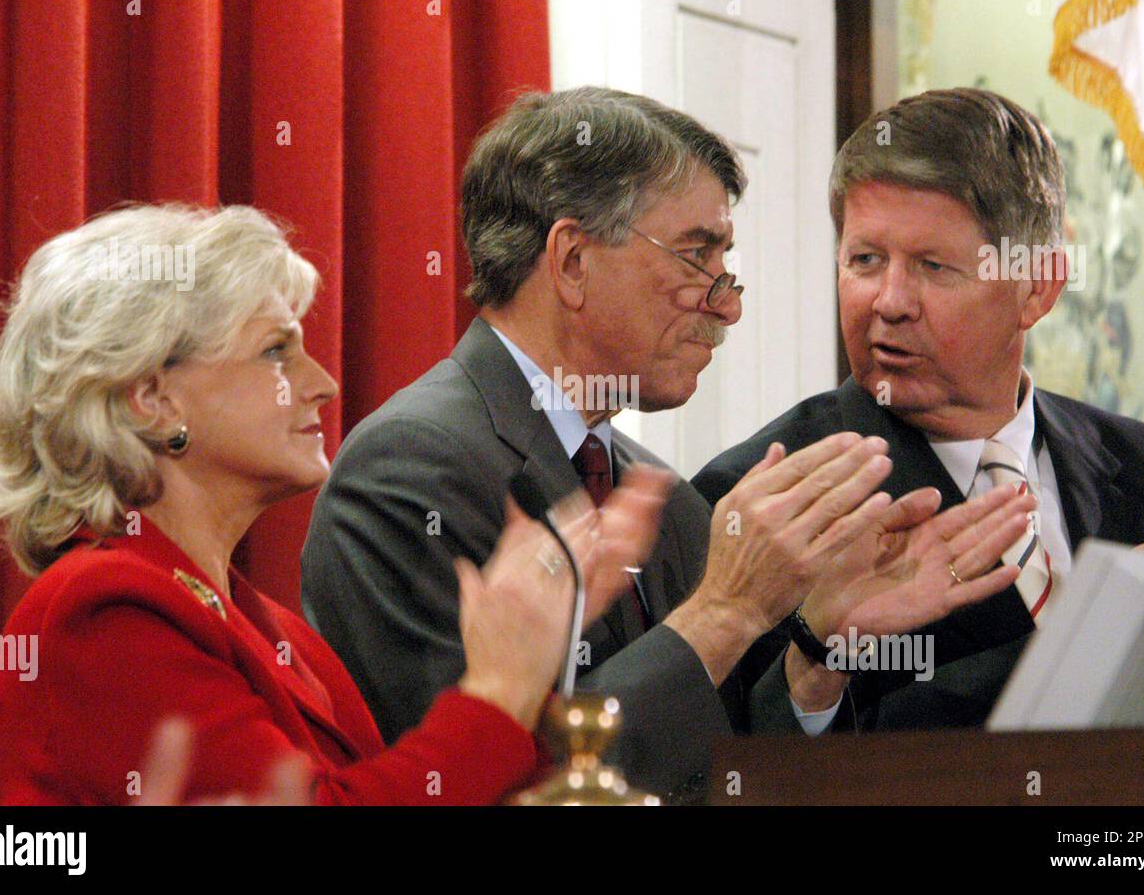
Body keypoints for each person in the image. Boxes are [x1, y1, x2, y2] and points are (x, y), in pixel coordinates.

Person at [301, 86, 1036, 798]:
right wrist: (722, 611)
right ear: (572, 261)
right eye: (696, 257)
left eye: (726, 265)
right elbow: (468, 784)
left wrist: (816, 651)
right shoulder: (408, 470)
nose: (727, 306)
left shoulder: (659, 493)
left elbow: (725, 776)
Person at [0, 203, 673, 805]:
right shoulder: (101, 611)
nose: (322, 383)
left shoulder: (271, 627)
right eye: (276, 351)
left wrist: (535, 646)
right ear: (153, 397)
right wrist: (498, 685)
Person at [694, 87, 1144, 733]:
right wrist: (815, 665)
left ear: (1037, 287)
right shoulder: (760, 497)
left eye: (933, 266)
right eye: (865, 260)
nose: (889, 301)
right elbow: (740, 767)